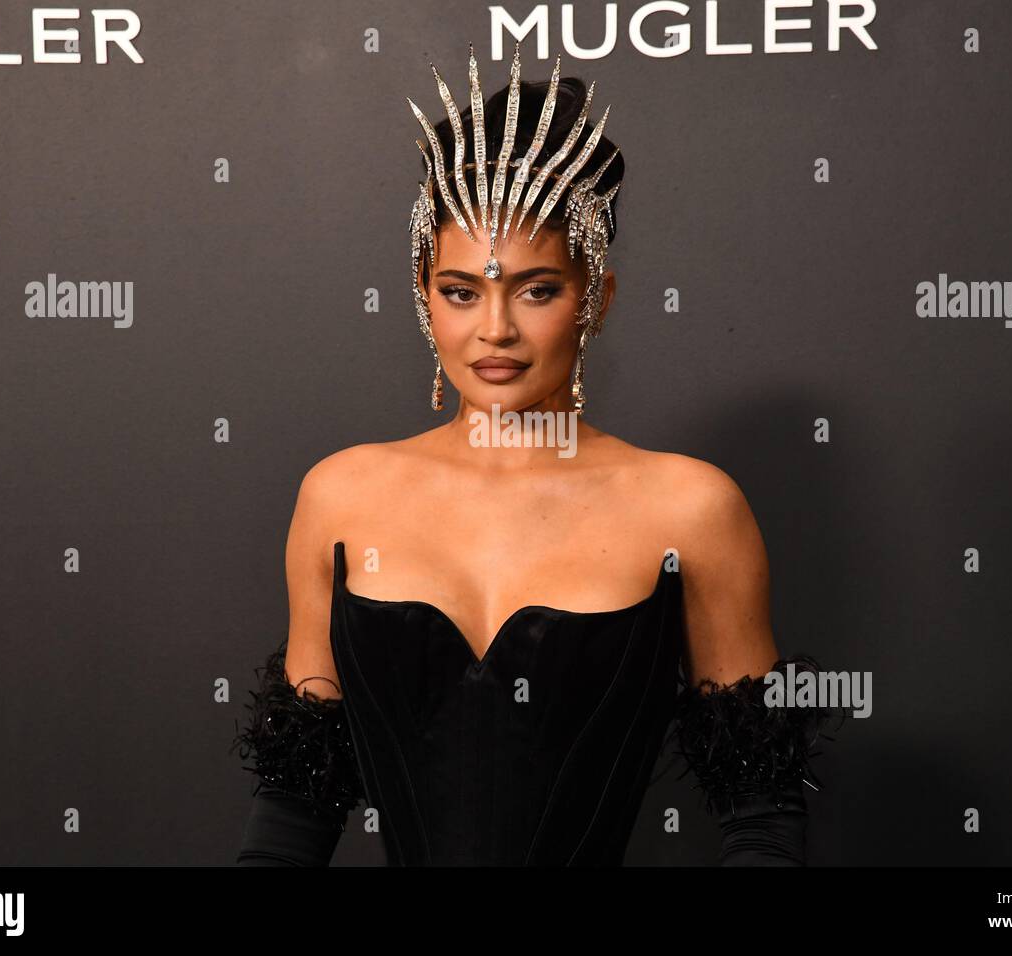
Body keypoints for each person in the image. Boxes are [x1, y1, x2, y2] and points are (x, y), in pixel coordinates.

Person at [231, 41, 839, 866]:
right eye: (460, 292)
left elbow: (761, 817)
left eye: (537, 289)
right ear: (423, 295)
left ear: (598, 296)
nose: (495, 331)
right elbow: (295, 818)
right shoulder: (342, 498)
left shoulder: (689, 509)